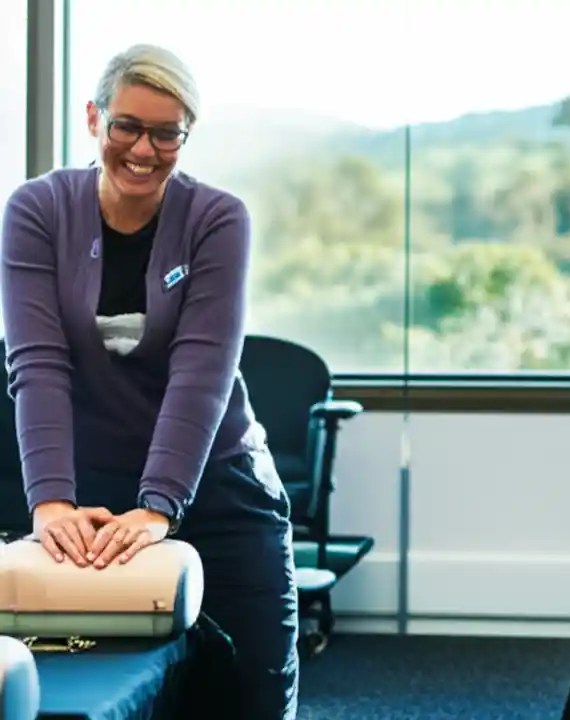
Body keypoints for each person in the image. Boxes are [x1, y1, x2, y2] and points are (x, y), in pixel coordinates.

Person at [1, 44, 299, 717]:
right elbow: (37, 363)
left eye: (168, 133)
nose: (145, 148)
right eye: (128, 126)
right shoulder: (36, 211)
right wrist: (50, 502)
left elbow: (201, 373)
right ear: (93, 119)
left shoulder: (217, 219)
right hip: (93, 495)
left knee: (254, 691)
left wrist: (161, 504)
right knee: (106, 692)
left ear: (185, 136)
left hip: (220, 485)